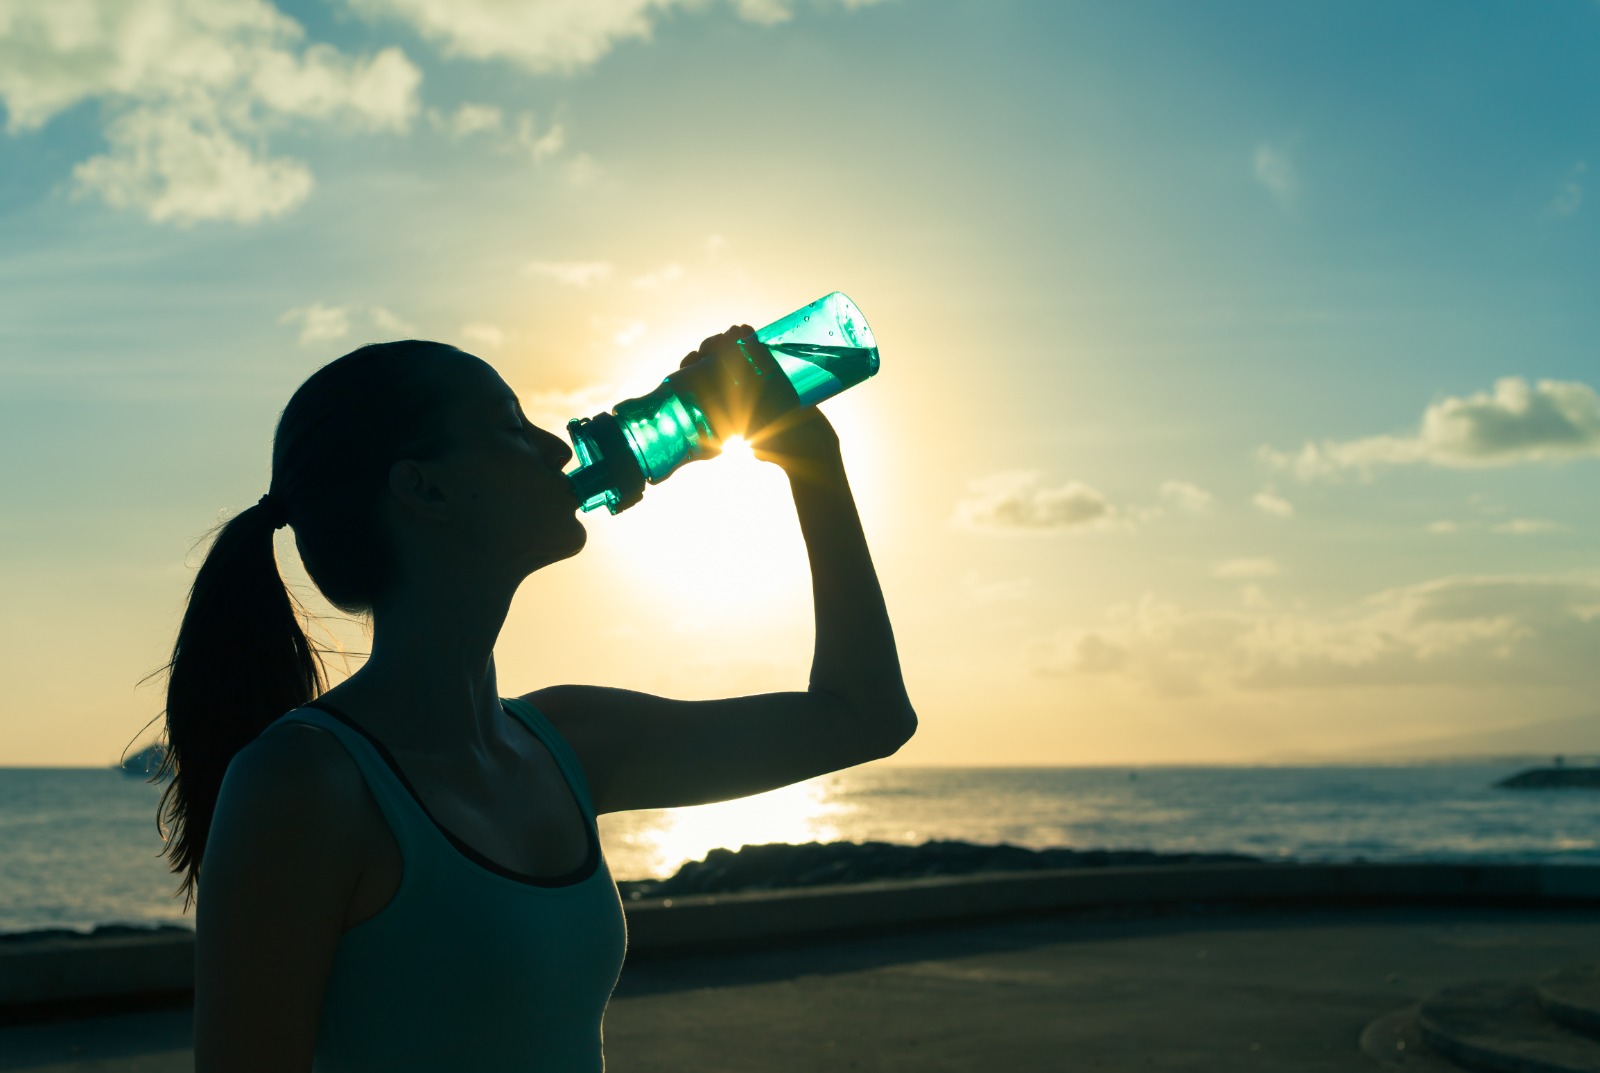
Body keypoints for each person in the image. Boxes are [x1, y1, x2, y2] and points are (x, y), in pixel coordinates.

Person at [156, 325, 917, 1071]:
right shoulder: (306, 782)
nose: (557, 446)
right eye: (508, 426)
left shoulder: (569, 741)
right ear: (425, 487)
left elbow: (866, 716)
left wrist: (811, 462)